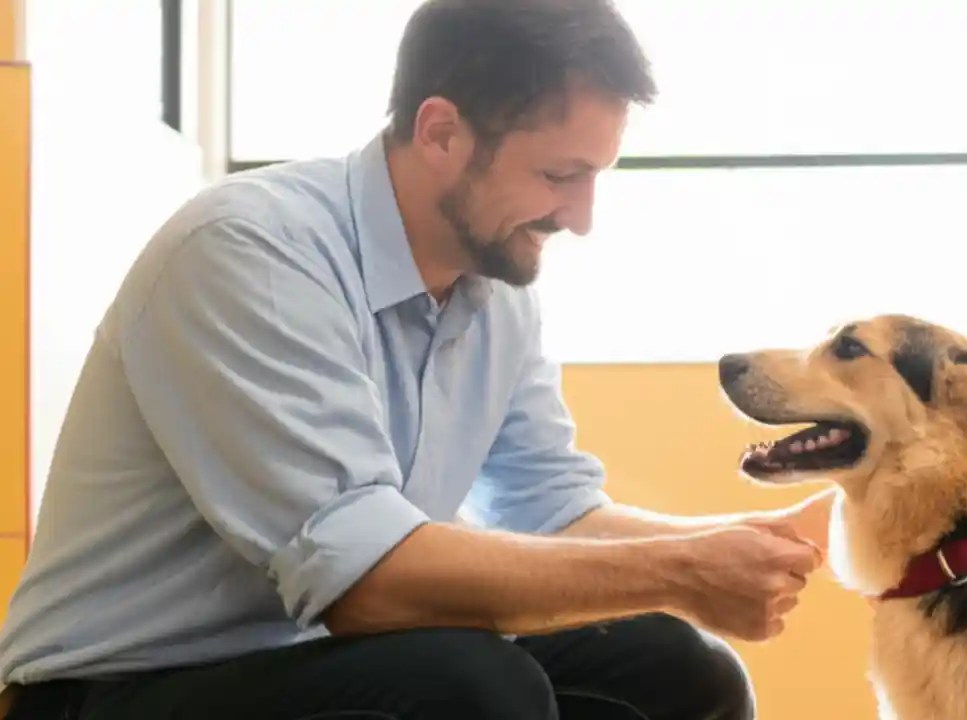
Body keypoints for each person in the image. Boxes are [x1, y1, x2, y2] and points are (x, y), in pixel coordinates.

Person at [0, 1, 833, 718]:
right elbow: (367, 585)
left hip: (319, 658)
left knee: (678, 669)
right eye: (559, 175)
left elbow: (550, 512)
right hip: (114, 688)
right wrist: (683, 570)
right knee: (468, 688)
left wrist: (740, 543)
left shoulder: (497, 288)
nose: (581, 218)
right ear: (441, 131)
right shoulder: (246, 252)